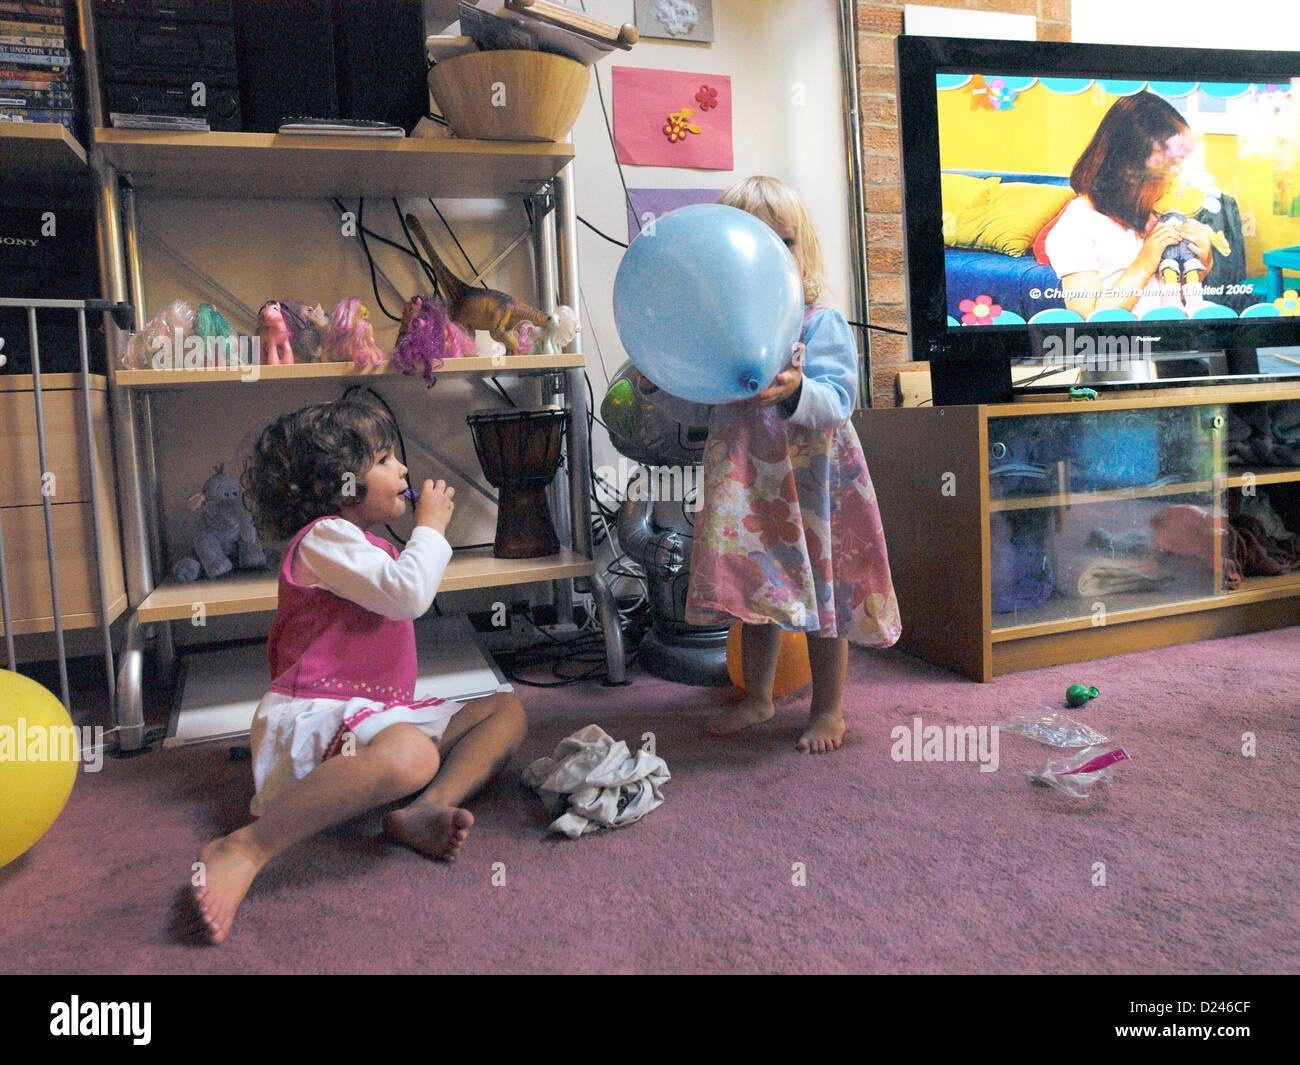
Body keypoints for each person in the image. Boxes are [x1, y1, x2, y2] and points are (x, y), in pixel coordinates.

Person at [189, 398, 526, 944]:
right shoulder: (324, 538)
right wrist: (432, 529)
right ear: (338, 482)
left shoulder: (355, 543)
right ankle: (246, 848)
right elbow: (409, 595)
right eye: (386, 459)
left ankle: (425, 809)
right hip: (316, 709)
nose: (403, 470)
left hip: (371, 714)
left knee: (504, 709)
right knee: (415, 755)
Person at [648, 176, 902, 753]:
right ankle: (758, 698)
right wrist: (658, 380)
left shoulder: (819, 323)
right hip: (749, 488)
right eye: (753, 239)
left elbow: (839, 400)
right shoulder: (720, 332)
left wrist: (795, 390)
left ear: (803, 251)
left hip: (813, 486)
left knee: (825, 597)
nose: (769, 253)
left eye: (783, 241)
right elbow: (694, 401)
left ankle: (829, 710)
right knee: (756, 597)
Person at [1045, 91, 1216, 317]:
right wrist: (1144, 263)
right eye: (1163, 171)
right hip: (1119, 347)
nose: (1170, 182)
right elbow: (1089, 316)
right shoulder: (1075, 228)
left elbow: (1172, 292)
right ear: (1125, 170)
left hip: (1168, 340)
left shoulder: (1144, 216)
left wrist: (1203, 264)